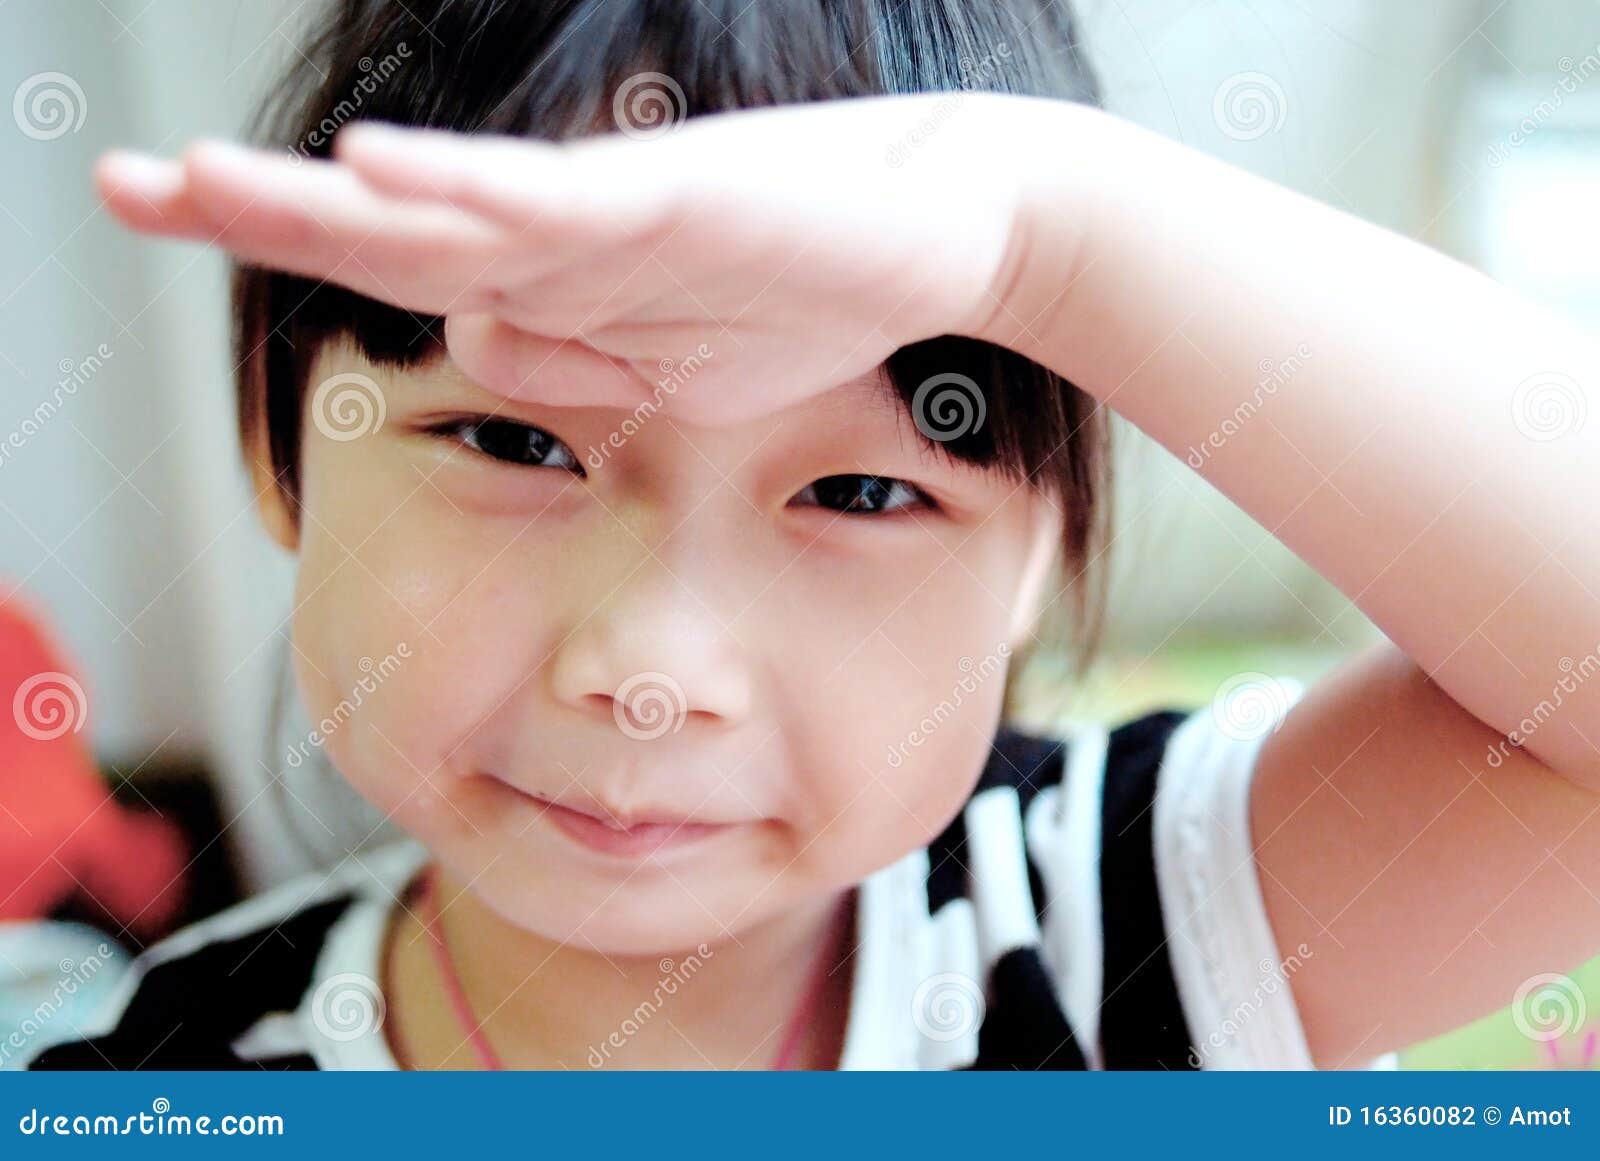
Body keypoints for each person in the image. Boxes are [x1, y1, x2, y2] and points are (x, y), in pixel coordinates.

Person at [29, 0, 1600, 1070]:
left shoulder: (1137, 922)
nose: (648, 672)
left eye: (859, 490)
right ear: (280, 451)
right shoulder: (150, 1074)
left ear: (1036, 561)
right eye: (513, 438)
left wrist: (1048, 237)